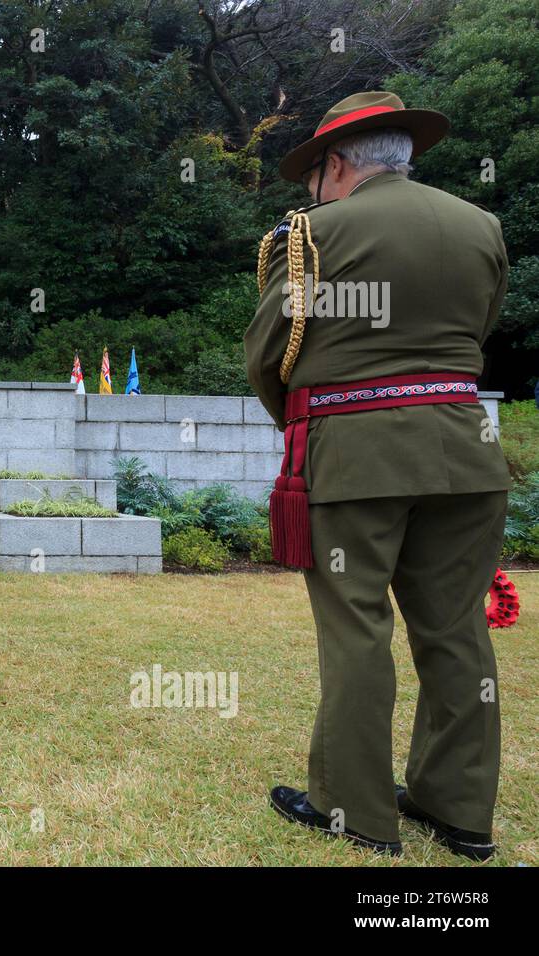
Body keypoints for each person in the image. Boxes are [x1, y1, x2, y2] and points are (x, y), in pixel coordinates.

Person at [245, 92, 511, 859]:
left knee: (358, 634)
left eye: (314, 176)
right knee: (456, 632)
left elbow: (270, 353)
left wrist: (312, 423)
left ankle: (356, 813)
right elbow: (475, 334)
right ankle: (458, 810)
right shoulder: (480, 227)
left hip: (354, 458)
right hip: (466, 453)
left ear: (335, 166)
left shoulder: (315, 235)